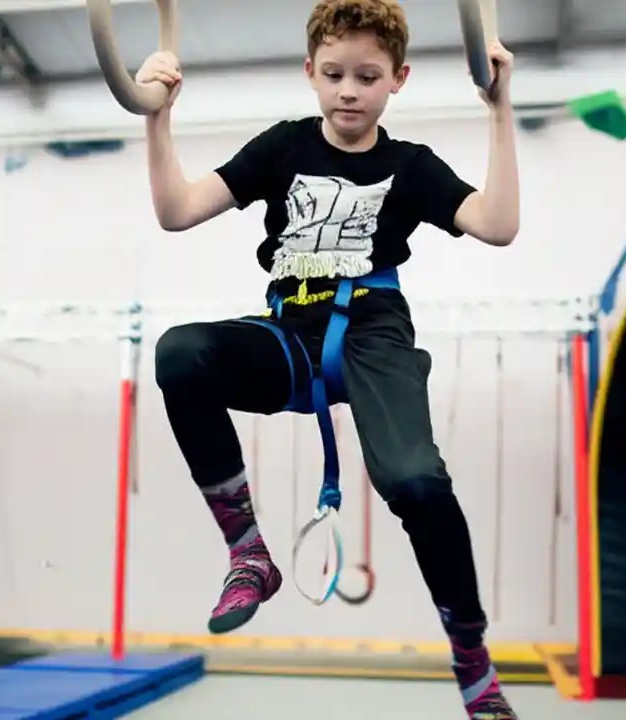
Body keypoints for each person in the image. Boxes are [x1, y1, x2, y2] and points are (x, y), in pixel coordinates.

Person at [140, 1, 520, 717]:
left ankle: (469, 649)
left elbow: (498, 225)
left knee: (414, 480)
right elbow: (177, 210)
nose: (350, 90)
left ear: (397, 81)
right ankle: (249, 551)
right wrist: (156, 116)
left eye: (368, 77)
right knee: (180, 353)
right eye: (335, 74)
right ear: (310, 72)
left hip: (374, 331)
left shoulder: (410, 165)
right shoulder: (283, 148)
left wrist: (500, 109)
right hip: (288, 329)